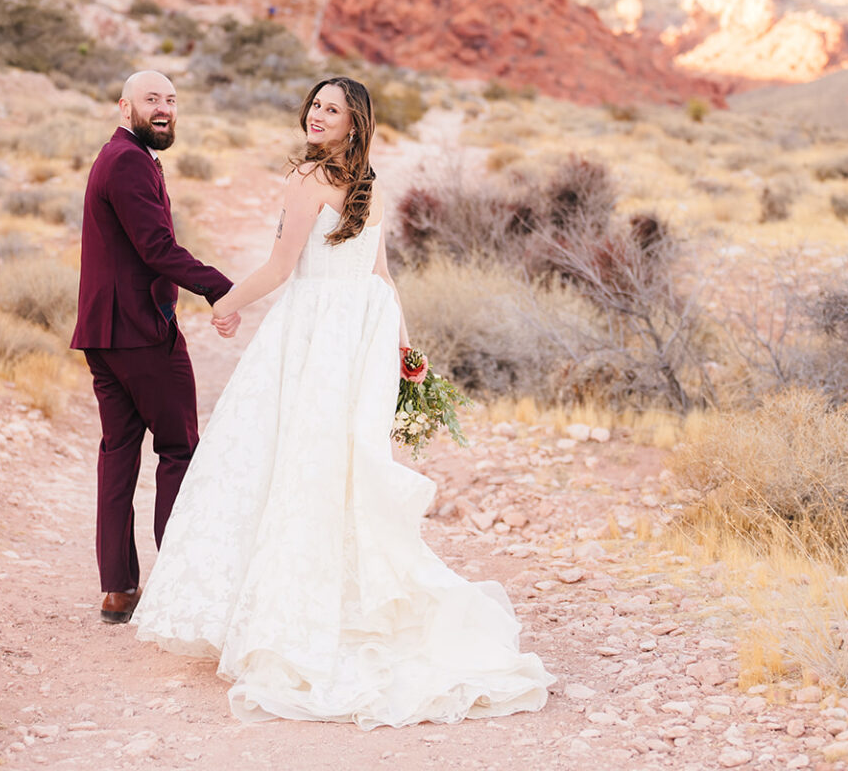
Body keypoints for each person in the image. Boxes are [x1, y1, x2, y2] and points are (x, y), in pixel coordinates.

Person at [132, 76, 553, 728]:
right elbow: (382, 279)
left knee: (290, 464)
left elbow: (280, 267)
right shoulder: (370, 182)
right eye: (315, 105)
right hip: (357, 341)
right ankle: (330, 600)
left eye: (332, 109)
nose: (317, 115)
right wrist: (406, 352)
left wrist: (224, 304)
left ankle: (291, 616)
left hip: (310, 340)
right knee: (331, 466)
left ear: (354, 123)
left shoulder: (305, 179)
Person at [70, 70, 239, 625]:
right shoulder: (126, 161)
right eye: (151, 100)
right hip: (141, 332)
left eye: (170, 100)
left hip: (105, 335)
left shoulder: (125, 156)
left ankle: (118, 590)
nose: (163, 108)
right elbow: (157, 248)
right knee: (179, 450)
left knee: (118, 455)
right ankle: (176, 583)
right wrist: (221, 287)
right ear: (125, 106)